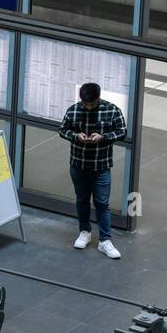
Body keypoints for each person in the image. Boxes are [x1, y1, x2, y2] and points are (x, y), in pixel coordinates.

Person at [59, 82, 126, 259]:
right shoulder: (74, 110)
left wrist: (103, 137)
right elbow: (62, 129)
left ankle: (105, 240)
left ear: (98, 97)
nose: (88, 107)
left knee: (102, 203)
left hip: (101, 166)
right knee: (82, 200)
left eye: (92, 104)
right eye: (85, 104)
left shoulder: (112, 110)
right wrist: (75, 136)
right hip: (78, 165)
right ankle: (85, 232)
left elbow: (122, 131)